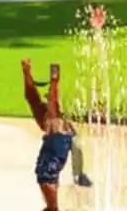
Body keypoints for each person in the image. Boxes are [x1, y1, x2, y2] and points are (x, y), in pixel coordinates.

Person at [23, 59, 91, 204]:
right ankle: (77, 177)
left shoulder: (54, 115)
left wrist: (54, 81)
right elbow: (31, 96)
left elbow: (52, 100)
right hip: (58, 143)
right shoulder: (45, 114)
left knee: (46, 178)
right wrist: (26, 72)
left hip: (60, 141)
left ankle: (77, 177)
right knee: (45, 178)